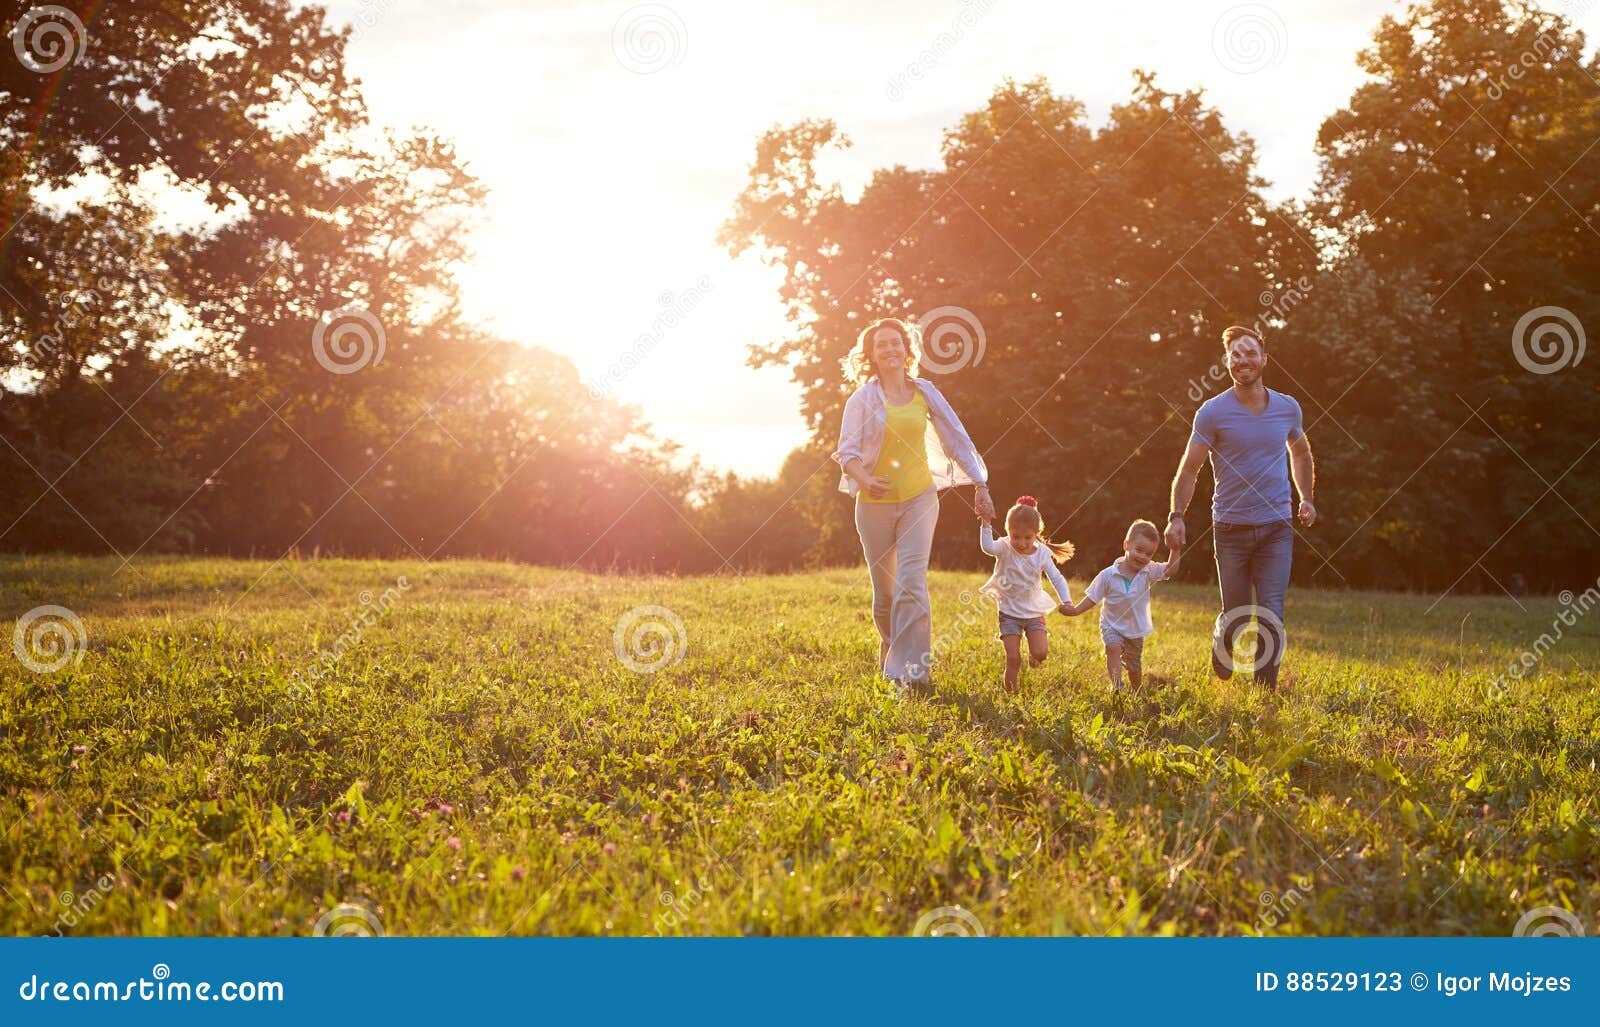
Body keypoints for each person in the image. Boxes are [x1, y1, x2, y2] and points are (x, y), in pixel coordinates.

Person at [833, 316, 994, 694]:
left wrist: (980, 485)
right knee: (885, 595)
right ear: (871, 356)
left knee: (912, 581)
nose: (890, 349)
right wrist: (865, 478)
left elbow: (956, 437)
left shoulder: (925, 392)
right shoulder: (862, 399)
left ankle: (910, 673)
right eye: (881, 345)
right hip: (874, 504)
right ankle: (891, 647)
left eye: (896, 342)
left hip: (920, 498)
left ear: (907, 350)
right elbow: (847, 452)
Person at [1165, 325, 1316, 688]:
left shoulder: (1287, 408)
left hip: (1277, 527)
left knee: (1271, 614)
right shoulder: (1212, 412)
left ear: (1264, 359)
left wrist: (1307, 497)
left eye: (1250, 353)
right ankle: (1223, 639)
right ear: (1226, 362)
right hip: (1230, 528)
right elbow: (1189, 468)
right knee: (1235, 614)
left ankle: (1264, 695)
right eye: (1236, 354)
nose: (1243, 360)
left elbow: (1300, 451)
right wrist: (1176, 516)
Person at [1060, 520, 1181, 690]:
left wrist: (1175, 549)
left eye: (1149, 554)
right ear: (1126, 545)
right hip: (1112, 625)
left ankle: (1136, 692)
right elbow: (1092, 597)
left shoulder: (1148, 571)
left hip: (1135, 629)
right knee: (1112, 649)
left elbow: (1170, 570)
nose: (1143, 557)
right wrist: (1075, 610)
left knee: (1134, 668)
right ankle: (1117, 686)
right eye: (1139, 550)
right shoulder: (1108, 575)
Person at [978, 496, 1075, 691]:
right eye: (1016, 537)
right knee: (1013, 659)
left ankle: (1034, 655)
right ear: (1008, 532)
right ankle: (1011, 697)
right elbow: (987, 547)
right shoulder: (1004, 547)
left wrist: (1067, 601)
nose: (1021, 543)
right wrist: (985, 522)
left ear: (1036, 534)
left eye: (1028, 538)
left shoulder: (1042, 554)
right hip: (1009, 613)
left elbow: (1056, 578)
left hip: (1033, 613)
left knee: (1040, 653)